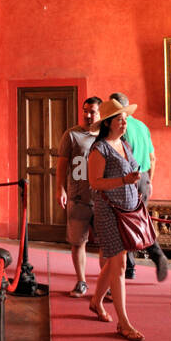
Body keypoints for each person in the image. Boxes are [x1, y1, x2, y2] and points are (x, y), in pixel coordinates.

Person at [85, 97, 147, 340]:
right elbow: (95, 183)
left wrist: (135, 184)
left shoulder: (124, 144)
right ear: (109, 123)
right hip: (109, 212)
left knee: (112, 263)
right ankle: (123, 323)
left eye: (125, 119)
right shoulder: (99, 149)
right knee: (119, 265)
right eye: (120, 120)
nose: (125, 123)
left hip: (128, 211)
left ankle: (95, 301)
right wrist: (123, 181)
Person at [108, 91, 165, 280]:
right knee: (141, 220)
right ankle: (156, 255)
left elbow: (122, 159)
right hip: (145, 179)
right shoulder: (142, 126)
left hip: (128, 181)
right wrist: (149, 181)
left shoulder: (118, 127)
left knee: (125, 224)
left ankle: (130, 267)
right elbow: (152, 157)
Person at [55, 95, 101, 297]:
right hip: (78, 197)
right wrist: (60, 188)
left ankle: (105, 283)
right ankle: (81, 281)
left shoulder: (107, 136)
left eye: (92, 111)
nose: (88, 115)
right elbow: (62, 165)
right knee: (77, 241)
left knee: (106, 244)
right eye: (85, 111)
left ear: (100, 113)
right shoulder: (72, 135)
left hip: (102, 199)